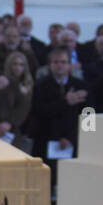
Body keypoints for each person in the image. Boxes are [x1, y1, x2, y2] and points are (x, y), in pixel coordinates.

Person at [29, 46, 90, 183]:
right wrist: (65, 102)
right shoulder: (40, 86)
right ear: (50, 65)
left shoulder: (82, 86)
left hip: (75, 143)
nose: (59, 66)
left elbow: (89, 117)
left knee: (73, 182)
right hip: (47, 141)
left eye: (63, 62)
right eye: (55, 62)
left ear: (69, 64)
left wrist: (72, 139)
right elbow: (38, 112)